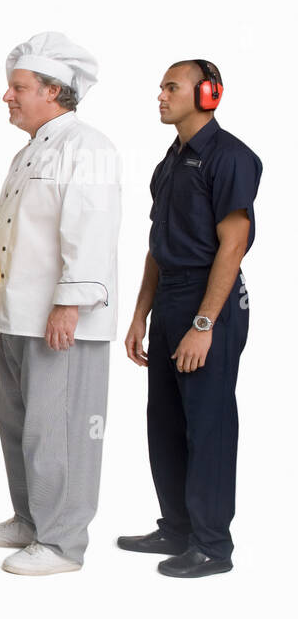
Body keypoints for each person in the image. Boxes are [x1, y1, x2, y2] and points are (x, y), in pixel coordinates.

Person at [0, 32, 121, 575]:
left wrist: (70, 305)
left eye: (18, 88)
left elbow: (92, 231)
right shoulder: (29, 151)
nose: (7, 97)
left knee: (56, 430)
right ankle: (30, 520)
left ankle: (62, 543)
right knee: (17, 426)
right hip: (18, 315)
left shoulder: (90, 147)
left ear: (54, 90)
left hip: (62, 320)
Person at [118, 59, 259, 578]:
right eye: (160, 86)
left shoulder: (231, 157)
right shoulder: (169, 163)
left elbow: (234, 243)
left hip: (210, 301)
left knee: (208, 424)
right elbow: (157, 245)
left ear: (208, 94)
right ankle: (177, 528)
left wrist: (204, 325)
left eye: (170, 87)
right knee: (166, 421)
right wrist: (140, 315)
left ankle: (212, 545)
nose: (160, 94)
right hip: (172, 299)